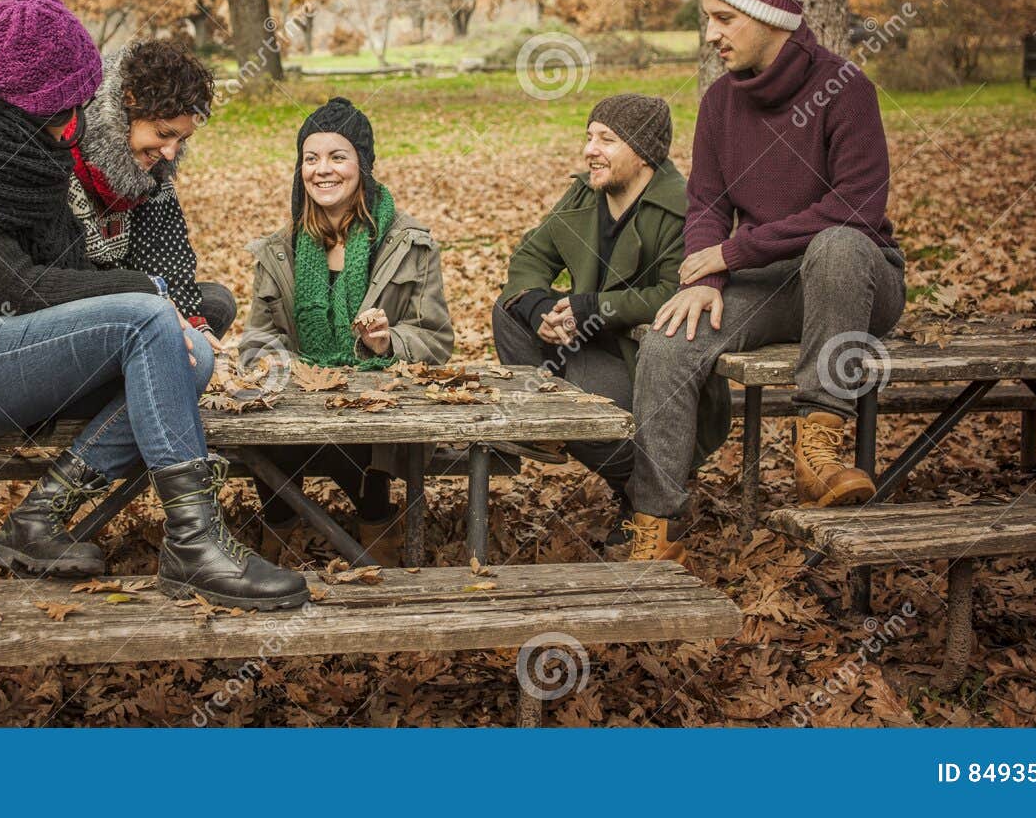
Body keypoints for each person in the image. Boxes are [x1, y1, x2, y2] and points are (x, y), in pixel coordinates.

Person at [0, 0, 307, 610]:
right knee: (150, 318)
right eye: (70, 108)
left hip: (4, 357)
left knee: (193, 355)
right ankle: (195, 544)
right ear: (32, 102)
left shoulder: (25, 150)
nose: (78, 123)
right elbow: (20, 288)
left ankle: (37, 519)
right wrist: (148, 296)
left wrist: (168, 315)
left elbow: (65, 270)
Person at [627, 0, 906, 565]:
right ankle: (656, 528)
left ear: (771, 15)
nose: (711, 34)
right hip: (774, 283)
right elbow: (706, 205)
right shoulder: (720, 103)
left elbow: (857, 209)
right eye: (709, 19)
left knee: (837, 245)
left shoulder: (846, 89)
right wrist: (705, 279)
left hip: (860, 281)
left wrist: (735, 254)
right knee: (668, 342)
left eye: (724, 19)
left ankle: (818, 447)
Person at [493, 95, 728, 541]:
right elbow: (530, 257)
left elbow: (675, 291)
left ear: (643, 152)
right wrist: (540, 309)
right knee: (510, 312)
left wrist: (591, 308)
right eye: (589, 137)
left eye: (607, 139)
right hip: (585, 346)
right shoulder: (586, 193)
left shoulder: (682, 207)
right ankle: (548, 426)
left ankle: (640, 490)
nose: (590, 150)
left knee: (580, 396)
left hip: (646, 366)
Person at [240, 97, 454, 565]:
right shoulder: (280, 249)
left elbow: (436, 341)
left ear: (363, 165)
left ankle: (376, 533)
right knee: (265, 426)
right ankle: (279, 538)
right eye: (310, 158)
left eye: (338, 157)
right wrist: (283, 368)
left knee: (355, 424)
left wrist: (388, 341)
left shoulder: (407, 244)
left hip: (377, 409)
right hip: (297, 405)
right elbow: (256, 340)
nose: (322, 170)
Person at [65, 38, 236, 342]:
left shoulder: (154, 174)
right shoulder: (64, 160)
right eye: (163, 133)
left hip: (137, 293)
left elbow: (166, 256)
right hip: (76, 308)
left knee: (217, 303)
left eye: (181, 140)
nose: (170, 153)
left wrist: (193, 324)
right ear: (127, 105)